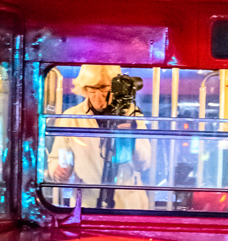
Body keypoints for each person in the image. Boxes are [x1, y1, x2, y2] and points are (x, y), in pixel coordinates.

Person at [46, 64, 152, 209]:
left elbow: (144, 163)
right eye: (92, 88)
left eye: (104, 88)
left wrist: (130, 137)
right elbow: (59, 157)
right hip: (85, 205)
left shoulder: (130, 114)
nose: (98, 96)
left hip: (128, 205)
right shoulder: (71, 116)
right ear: (84, 88)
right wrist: (57, 172)